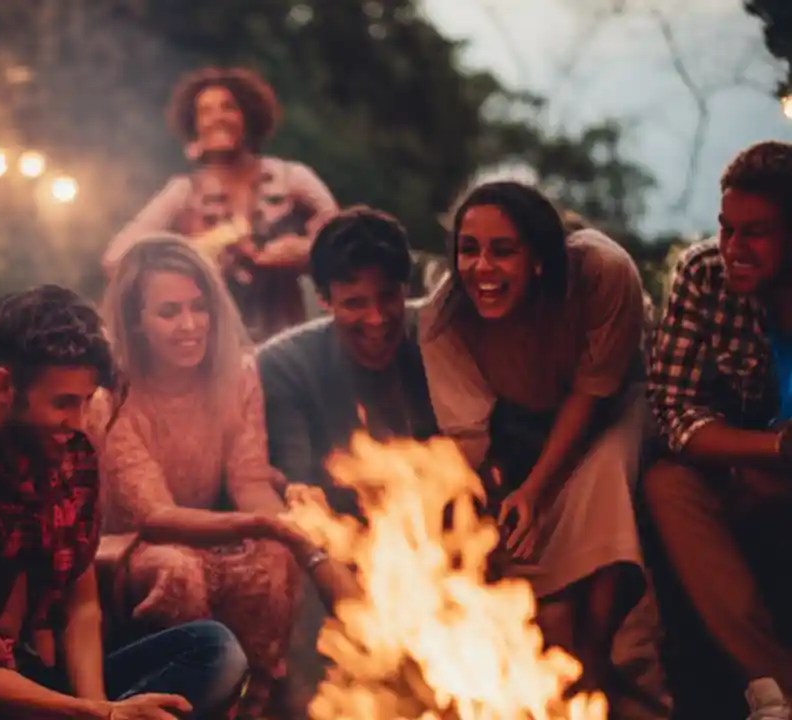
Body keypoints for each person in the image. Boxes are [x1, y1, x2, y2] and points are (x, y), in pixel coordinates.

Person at [0, 285, 248, 720]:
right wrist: (95, 714)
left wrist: (99, 708)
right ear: (2, 388)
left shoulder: (70, 454)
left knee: (213, 649)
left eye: (87, 401)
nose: (78, 420)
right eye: (63, 403)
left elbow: (82, 605)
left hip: (50, 687)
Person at [95, 235, 356, 718]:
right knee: (177, 569)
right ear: (136, 320)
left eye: (199, 307)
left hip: (202, 533)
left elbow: (250, 481)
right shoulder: (115, 391)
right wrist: (265, 525)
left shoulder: (236, 374)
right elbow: (155, 517)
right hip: (125, 544)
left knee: (275, 556)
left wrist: (289, 530)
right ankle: (186, 703)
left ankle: (254, 702)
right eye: (169, 312)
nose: (190, 325)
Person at [418, 181, 647, 699]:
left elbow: (594, 393)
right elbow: (467, 437)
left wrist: (537, 489)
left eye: (503, 251)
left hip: (617, 407)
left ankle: (598, 669)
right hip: (520, 432)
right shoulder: (443, 320)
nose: (482, 269)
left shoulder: (602, 273)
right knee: (508, 544)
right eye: (469, 250)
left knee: (604, 478)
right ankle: (558, 680)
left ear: (539, 258)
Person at [644, 141, 792, 720]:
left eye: (755, 233)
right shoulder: (705, 274)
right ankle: (775, 684)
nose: (734, 249)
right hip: (749, 466)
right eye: (727, 228)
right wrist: (774, 448)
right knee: (668, 485)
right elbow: (674, 412)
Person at [104, 67, 338, 341]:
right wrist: (195, 254)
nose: (217, 118)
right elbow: (116, 258)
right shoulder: (183, 193)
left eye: (228, 107)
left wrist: (303, 251)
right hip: (215, 352)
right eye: (205, 111)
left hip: (287, 343)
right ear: (195, 127)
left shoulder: (291, 178)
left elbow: (346, 245)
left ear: (248, 117)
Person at [258, 206, 438, 516]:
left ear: (405, 289)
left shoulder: (437, 341)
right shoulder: (285, 365)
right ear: (323, 300)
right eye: (355, 303)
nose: (377, 318)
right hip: (340, 539)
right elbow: (297, 486)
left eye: (387, 297)